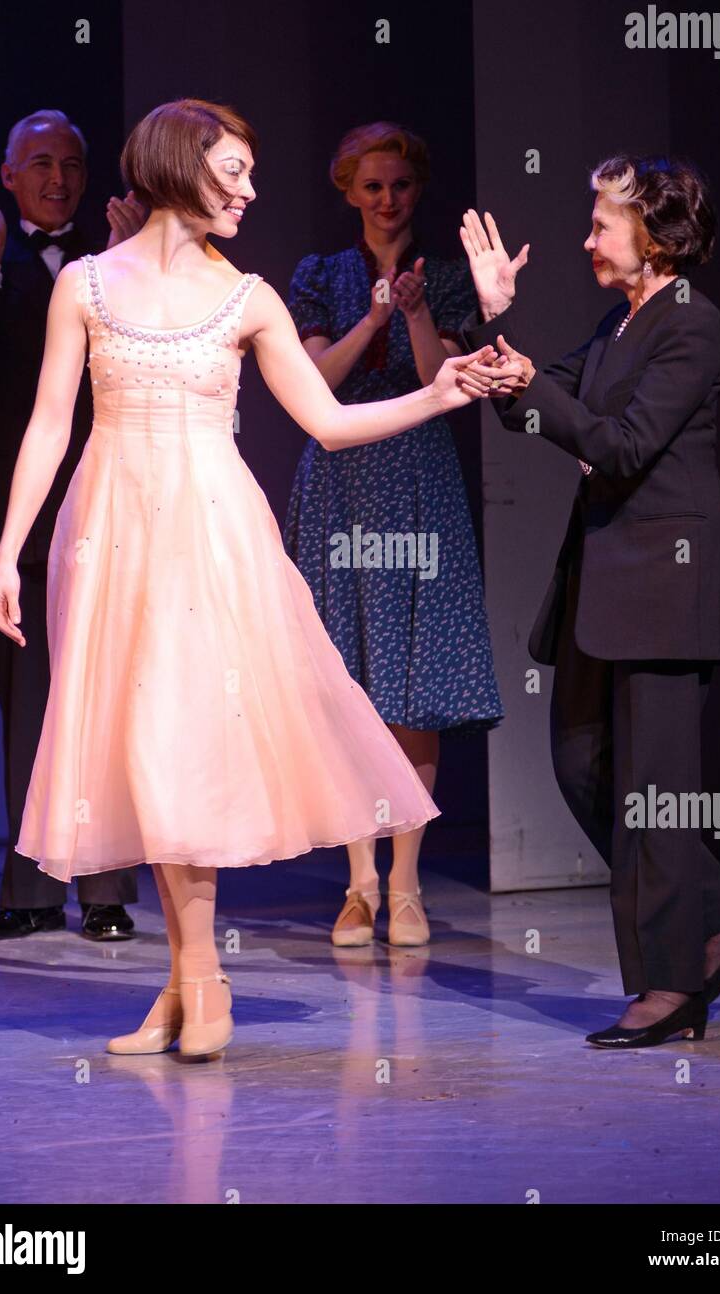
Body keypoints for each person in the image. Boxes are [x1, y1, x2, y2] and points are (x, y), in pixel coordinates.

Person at [0, 98, 515, 1059]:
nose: (250, 189)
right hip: (106, 533)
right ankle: (190, 984)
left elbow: (327, 422)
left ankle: (200, 985)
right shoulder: (89, 286)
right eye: (233, 170)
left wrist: (436, 393)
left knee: (184, 744)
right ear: (182, 167)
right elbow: (50, 425)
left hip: (211, 533)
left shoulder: (252, 297)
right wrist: (9, 551)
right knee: (137, 750)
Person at [456, 159, 720, 1049]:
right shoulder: (618, 321)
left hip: (668, 582)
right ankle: (719, 911)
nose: (587, 238)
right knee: (580, 769)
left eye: (602, 224)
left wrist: (531, 389)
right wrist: (495, 329)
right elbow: (531, 407)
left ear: (659, 237)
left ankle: (669, 988)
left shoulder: (692, 326)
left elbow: (623, 447)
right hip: (605, 582)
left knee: (655, 796)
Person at [284, 122, 505, 949]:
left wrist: (412, 315)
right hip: (344, 483)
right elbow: (318, 387)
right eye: (371, 187)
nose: (386, 201)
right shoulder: (319, 275)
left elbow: (436, 381)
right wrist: (373, 316)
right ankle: (358, 885)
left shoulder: (446, 277)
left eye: (399, 187)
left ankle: (405, 884)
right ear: (348, 192)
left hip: (416, 483)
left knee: (411, 683)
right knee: (348, 684)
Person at [0, 108, 147, 943]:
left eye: (70, 164)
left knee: (103, 697)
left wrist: (133, 263)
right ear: (8, 176)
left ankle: (104, 893)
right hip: (13, 517)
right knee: (27, 704)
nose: (57, 179)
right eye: (40, 164)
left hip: (107, 501)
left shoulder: (112, 264)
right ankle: (27, 894)